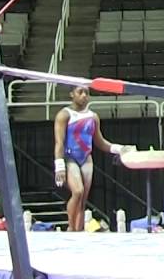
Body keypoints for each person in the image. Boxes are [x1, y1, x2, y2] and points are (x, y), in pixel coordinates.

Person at [54, 85, 126, 232]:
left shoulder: (93, 117)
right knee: (78, 192)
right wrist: (59, 166)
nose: (84, 95)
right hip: (69, 157)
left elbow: (100, 142)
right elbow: (59, 142)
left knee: (83, 199)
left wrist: (120, 148)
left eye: (86, 92)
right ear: (71, 94)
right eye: (80, 92)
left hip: (86, 158)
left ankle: (78, 230)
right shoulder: (64, 115)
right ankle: (71, 227)